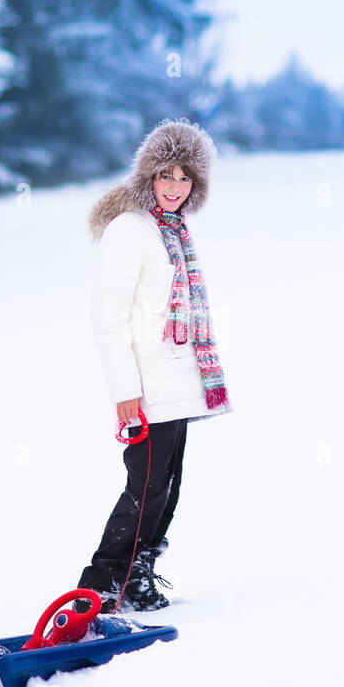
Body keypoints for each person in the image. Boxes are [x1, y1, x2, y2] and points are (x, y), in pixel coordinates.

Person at [75, 118, 233, 614]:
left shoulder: (174, 232)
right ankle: (100, 586)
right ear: (148, 178)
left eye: (186, 179)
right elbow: (108, 316)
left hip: (178, 385)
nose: (175, 187)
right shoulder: (130, 230)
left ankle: (138, 575)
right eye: (166, 176)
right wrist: (125, 392)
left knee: (167, 490)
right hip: (146, 389)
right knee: (142, 491)